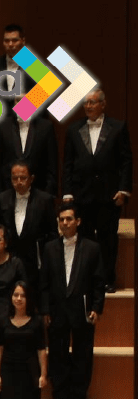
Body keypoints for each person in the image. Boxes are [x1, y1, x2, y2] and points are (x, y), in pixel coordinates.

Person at [63, 90, 132, 291]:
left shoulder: (118, 127)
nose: (88, 106)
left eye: (92, 102)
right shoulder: (74, 129)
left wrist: (124, 190)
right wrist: (67, 192)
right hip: (81, 196)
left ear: (103, 104)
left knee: (108, 240)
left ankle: (107, 280)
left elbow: (126, 160)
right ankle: (85, 280)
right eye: (85, 103)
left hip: (108, 196)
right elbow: (67, 163)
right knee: (83, 240)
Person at [41, 203, 106, 399]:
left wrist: (97, 307)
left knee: (83, 354)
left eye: (69, 219)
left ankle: (79, 397)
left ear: (78, 221)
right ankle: (60, 396)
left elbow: (98, 281)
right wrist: (45, 309)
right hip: (57, 310)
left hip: (83, 310)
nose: (65, 223)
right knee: (58, 353)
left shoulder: (92, 248)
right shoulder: (49, 248)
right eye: (61, 219)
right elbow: (44, 283)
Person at [0, 282, 48, 399]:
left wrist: (43, 374)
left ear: (28, 298)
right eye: (15, 295)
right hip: (8, 371)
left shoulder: (37, 321)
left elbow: (41, 350)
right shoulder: (2, 319)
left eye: (22, 295)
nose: (18, 298)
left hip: (30, 371)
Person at [0, 161, 56, 287]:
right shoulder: (0, 199)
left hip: (36, 259)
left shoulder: (45, 200)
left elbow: (52, 233)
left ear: (31, 178)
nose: (19, 181)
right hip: (9, 258)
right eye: (15, 178)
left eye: (23, 178)